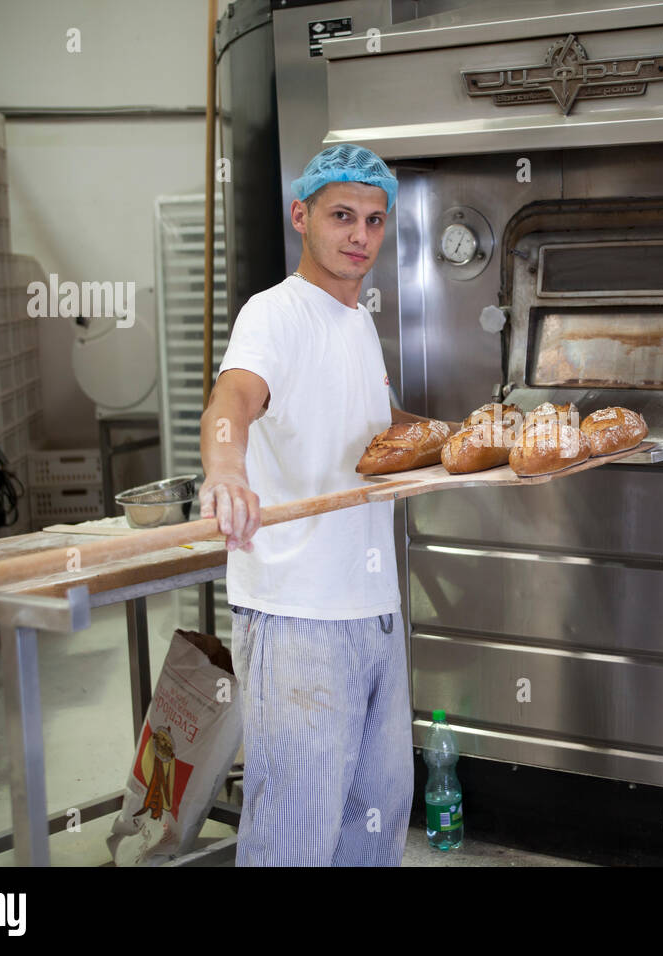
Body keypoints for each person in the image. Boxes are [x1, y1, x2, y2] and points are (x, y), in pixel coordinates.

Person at [198, 144, 444, 866]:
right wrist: (224, 468)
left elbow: (380, 428)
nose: (360, 235)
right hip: (297, 615)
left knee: (376, 814)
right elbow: (233, 399)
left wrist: (477, 442)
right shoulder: (274, 314)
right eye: (342, 216)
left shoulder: (358, 320)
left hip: (370, 608)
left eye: (373, 220)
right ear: (302, 216)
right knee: (292, 835)